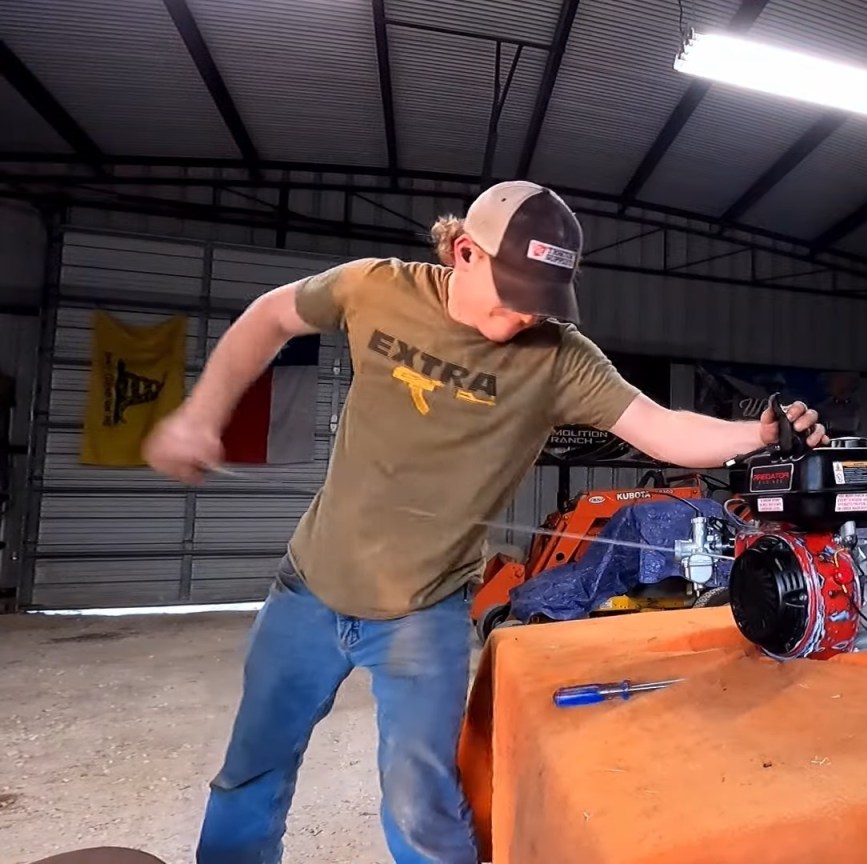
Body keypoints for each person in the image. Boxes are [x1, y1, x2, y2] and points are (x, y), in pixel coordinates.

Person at [143, 180, 827, 864]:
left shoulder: (560, 358)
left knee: (421, 806)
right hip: (311, 588)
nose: (528, 313)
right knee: (251, 773)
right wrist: (202, 415)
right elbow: (270, 316)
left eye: (542, 299)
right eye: (514, 289)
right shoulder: (376, 289)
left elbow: (662, 429)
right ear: (465, 252)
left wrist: (759, 434)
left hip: (423, 612)